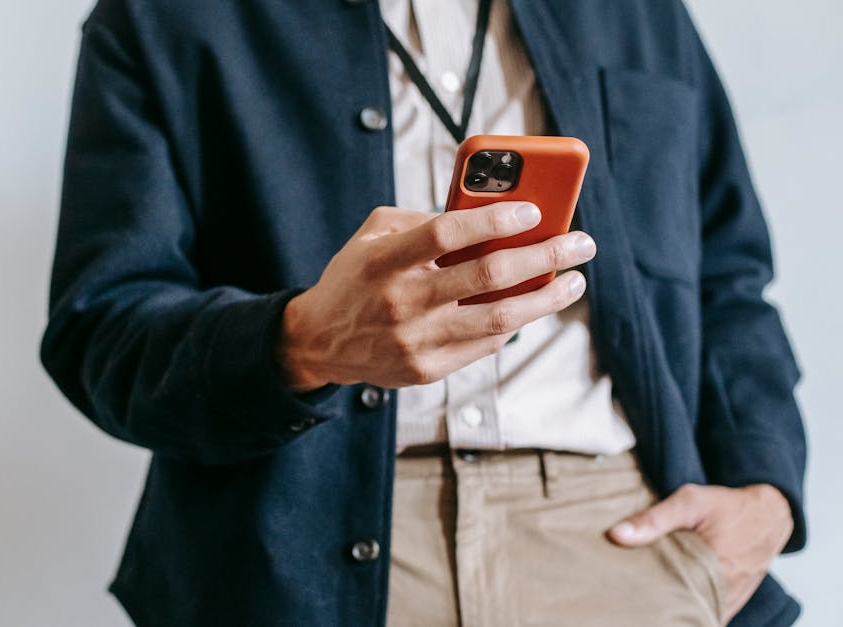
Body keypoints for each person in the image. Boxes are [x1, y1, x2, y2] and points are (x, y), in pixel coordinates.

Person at [41, 0, 807, 625]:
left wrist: (766, 489)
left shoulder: (640, 10)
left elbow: (730, 275)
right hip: (295, 554)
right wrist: (302, 343)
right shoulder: (158, 16)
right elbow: (100, 328)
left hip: (620, 536)